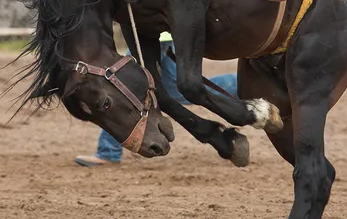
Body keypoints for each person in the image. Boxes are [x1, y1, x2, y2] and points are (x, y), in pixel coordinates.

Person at [75, 33, 238, 167]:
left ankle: (108, 151)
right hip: (159, 34)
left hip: (148, 35)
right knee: (176, 91)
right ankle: (240, 84)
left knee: (123, 87)